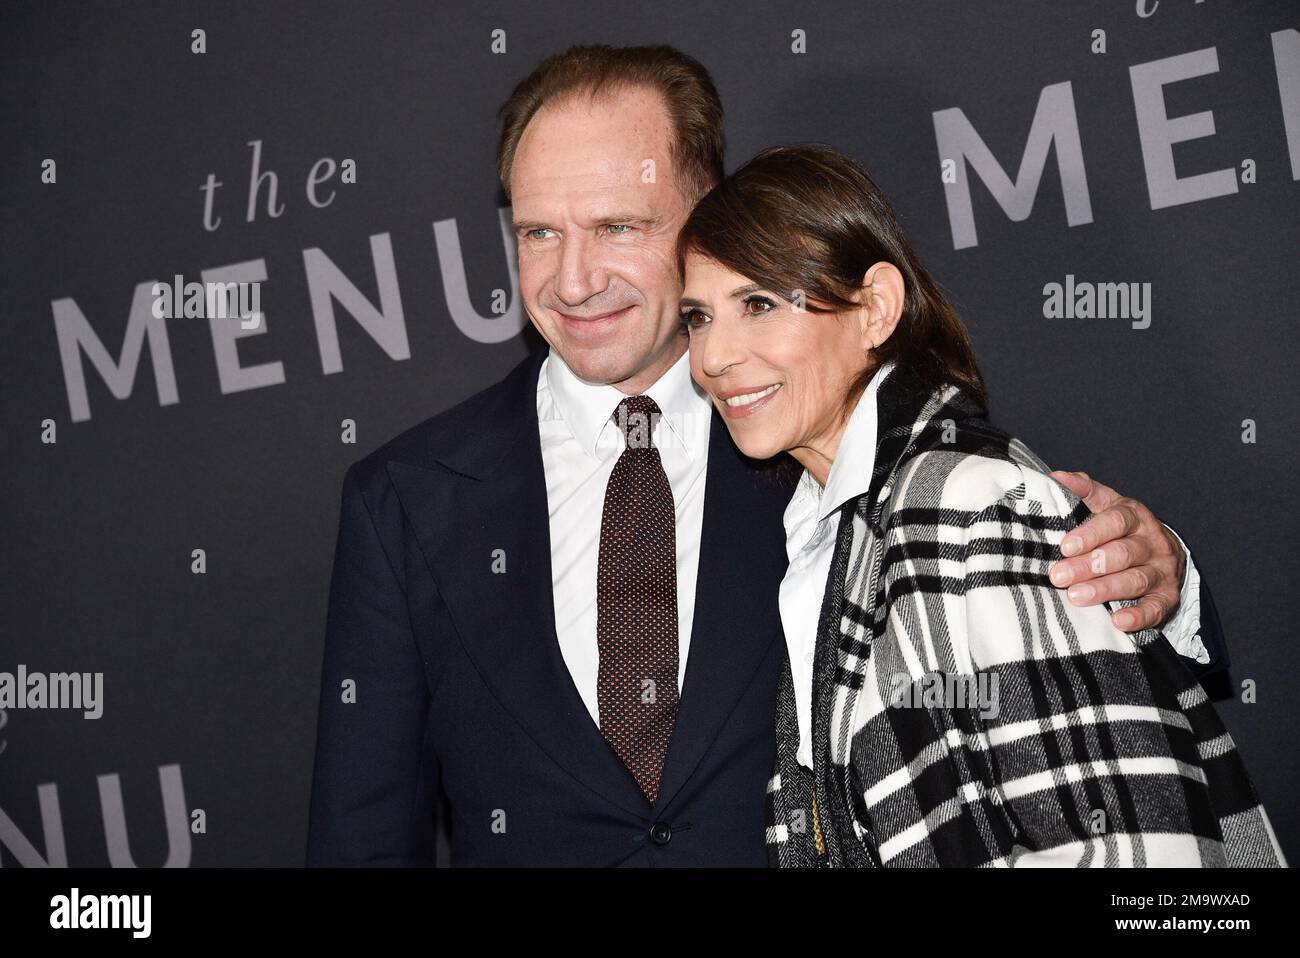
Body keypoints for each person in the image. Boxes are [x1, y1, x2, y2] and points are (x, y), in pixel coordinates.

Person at [306, 45, 1223, 867]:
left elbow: (1044, 649)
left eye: (618, 227)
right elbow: (362, 835)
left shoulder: (810, 431)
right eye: (540, 232)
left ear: (708, 219)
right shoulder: (406, 499)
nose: (573, 279)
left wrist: (1157, 584)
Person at [677, 143, 1283, 867]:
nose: (712, 358)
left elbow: (1144, 860)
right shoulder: (841, 526)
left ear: (875, 308)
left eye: (758, 304)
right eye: (698, 318)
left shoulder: (963, 504)